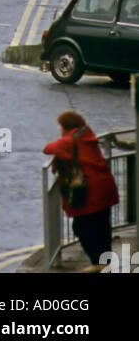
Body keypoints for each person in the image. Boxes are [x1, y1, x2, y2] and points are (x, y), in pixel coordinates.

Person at [43, 112, 119, 269]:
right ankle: (105, 262)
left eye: (60, 127)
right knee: (102, 227)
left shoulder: (70, 142)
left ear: (66, 127)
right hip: (105, 186)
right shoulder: (86, 134)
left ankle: (98, 263)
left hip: (91, 191)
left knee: (82, 227)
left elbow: (48, 149)